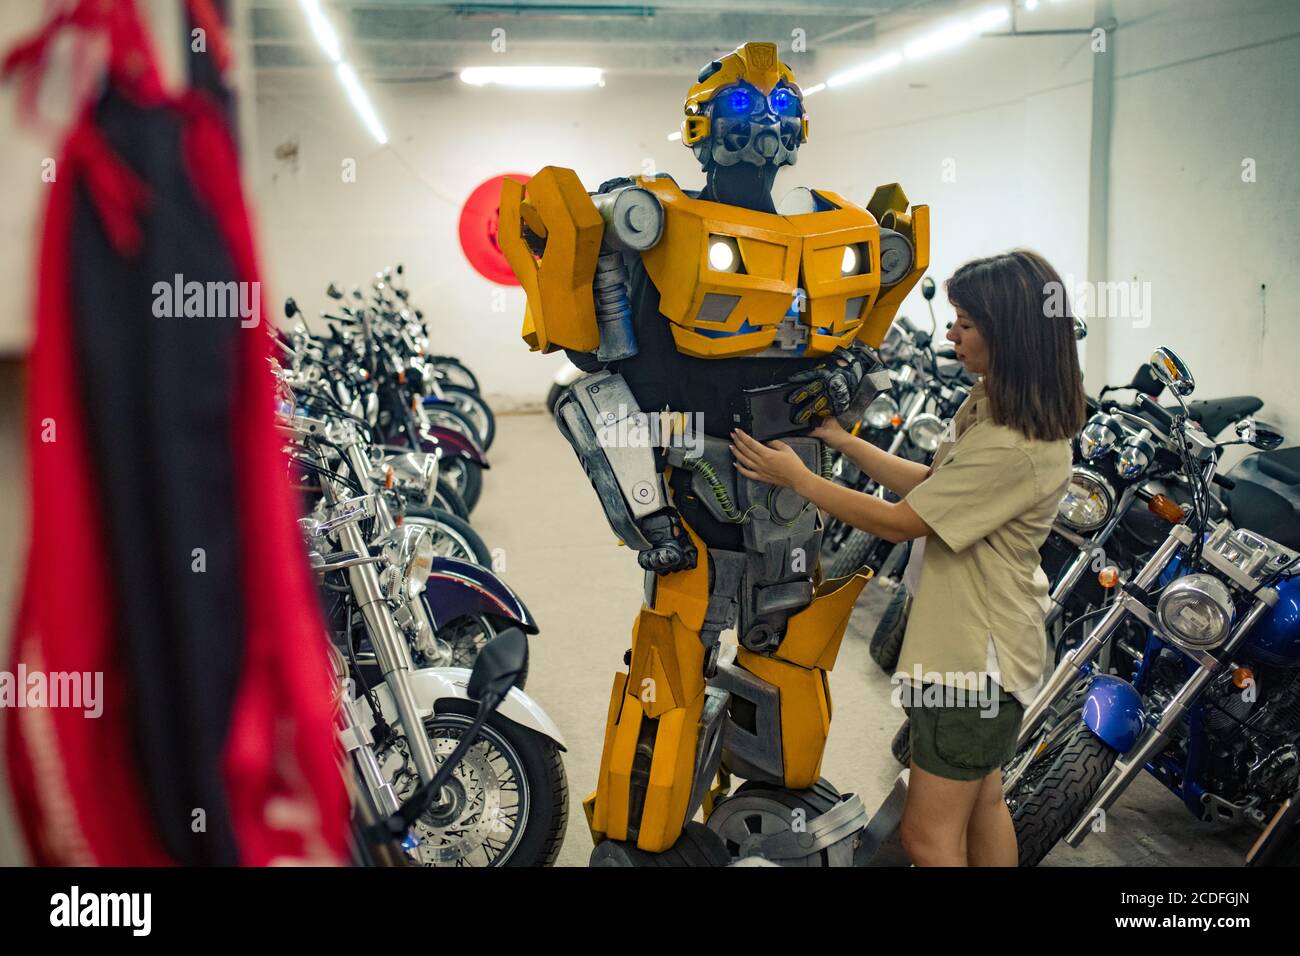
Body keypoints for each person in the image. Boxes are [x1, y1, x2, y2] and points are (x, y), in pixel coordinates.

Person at [730, 248, 1087, 866]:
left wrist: (799, 480)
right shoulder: (993, 406)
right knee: (983, 805)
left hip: (972, 662)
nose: (951, 333)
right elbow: (931, 483)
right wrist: (846, 441)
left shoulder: (1012, 443)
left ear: (1010, 334)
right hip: (985, 650)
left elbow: (902, 523)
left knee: (926, 836)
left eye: (965, 323)